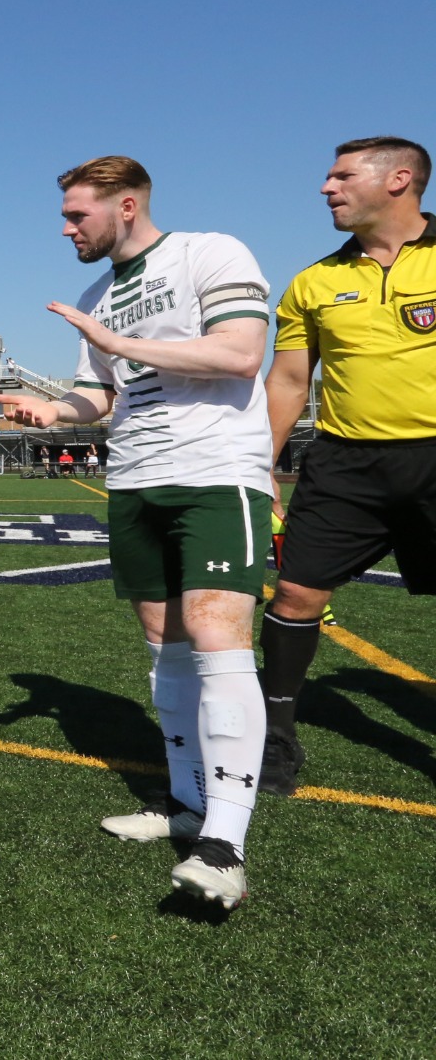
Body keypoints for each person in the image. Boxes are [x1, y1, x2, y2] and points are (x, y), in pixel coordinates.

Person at [0, 155, 274, 909]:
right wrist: (54, 412)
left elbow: (240, 353)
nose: (66, 228)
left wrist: (120, 345)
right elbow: (100, 398)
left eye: (77, 214)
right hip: (136, 478)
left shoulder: (209, 253)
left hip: (216, 471)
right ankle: (184, 803)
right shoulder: (97, 295)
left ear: (126, 205)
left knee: (217, 632)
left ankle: (226, 840)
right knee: (164, 645)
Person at [258, 136, 436, 794]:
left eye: (341, 175)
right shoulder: (314, 281)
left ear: (399, 178)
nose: (326, 187)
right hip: (344, 463)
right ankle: (274, 743)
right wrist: (260, 469)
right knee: (296, 594)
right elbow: (287, 382)